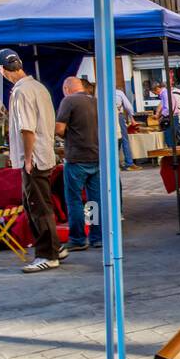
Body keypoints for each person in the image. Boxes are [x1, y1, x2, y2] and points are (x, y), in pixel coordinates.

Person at [0, 48, 64, 273]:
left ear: (3, 70)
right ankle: (54, 246)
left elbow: (27, 129)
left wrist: (26, 158)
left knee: (37, 206)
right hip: (43, 154)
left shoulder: (21, 91)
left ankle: (48, 254)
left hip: (33, 158)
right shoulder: (38, 87)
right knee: (39, 203)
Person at [55, 76, 103, 252]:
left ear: (67, 88)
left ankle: (77, 238)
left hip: (76, 157)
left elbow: (59, 128)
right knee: (94, 200)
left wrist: (66, 135)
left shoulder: (68, 101)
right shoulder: (96, 101)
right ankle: (97, 237)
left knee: (74, 200)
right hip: (97, 156)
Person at [156, 72, 180, 146]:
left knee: (176, 140)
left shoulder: (168, 93)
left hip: (177, 118)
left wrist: (160, 115)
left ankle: (179, 155)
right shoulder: (178, 91)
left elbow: (165, 107)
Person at [115, 86, 139, 170]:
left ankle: (114, 163)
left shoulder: (99, 94)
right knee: (124, 139)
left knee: (111, 141)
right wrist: (132, 118)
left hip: (104, 118)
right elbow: (128, 107)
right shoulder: (118, 93)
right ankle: (129, 163)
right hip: (118, 116)